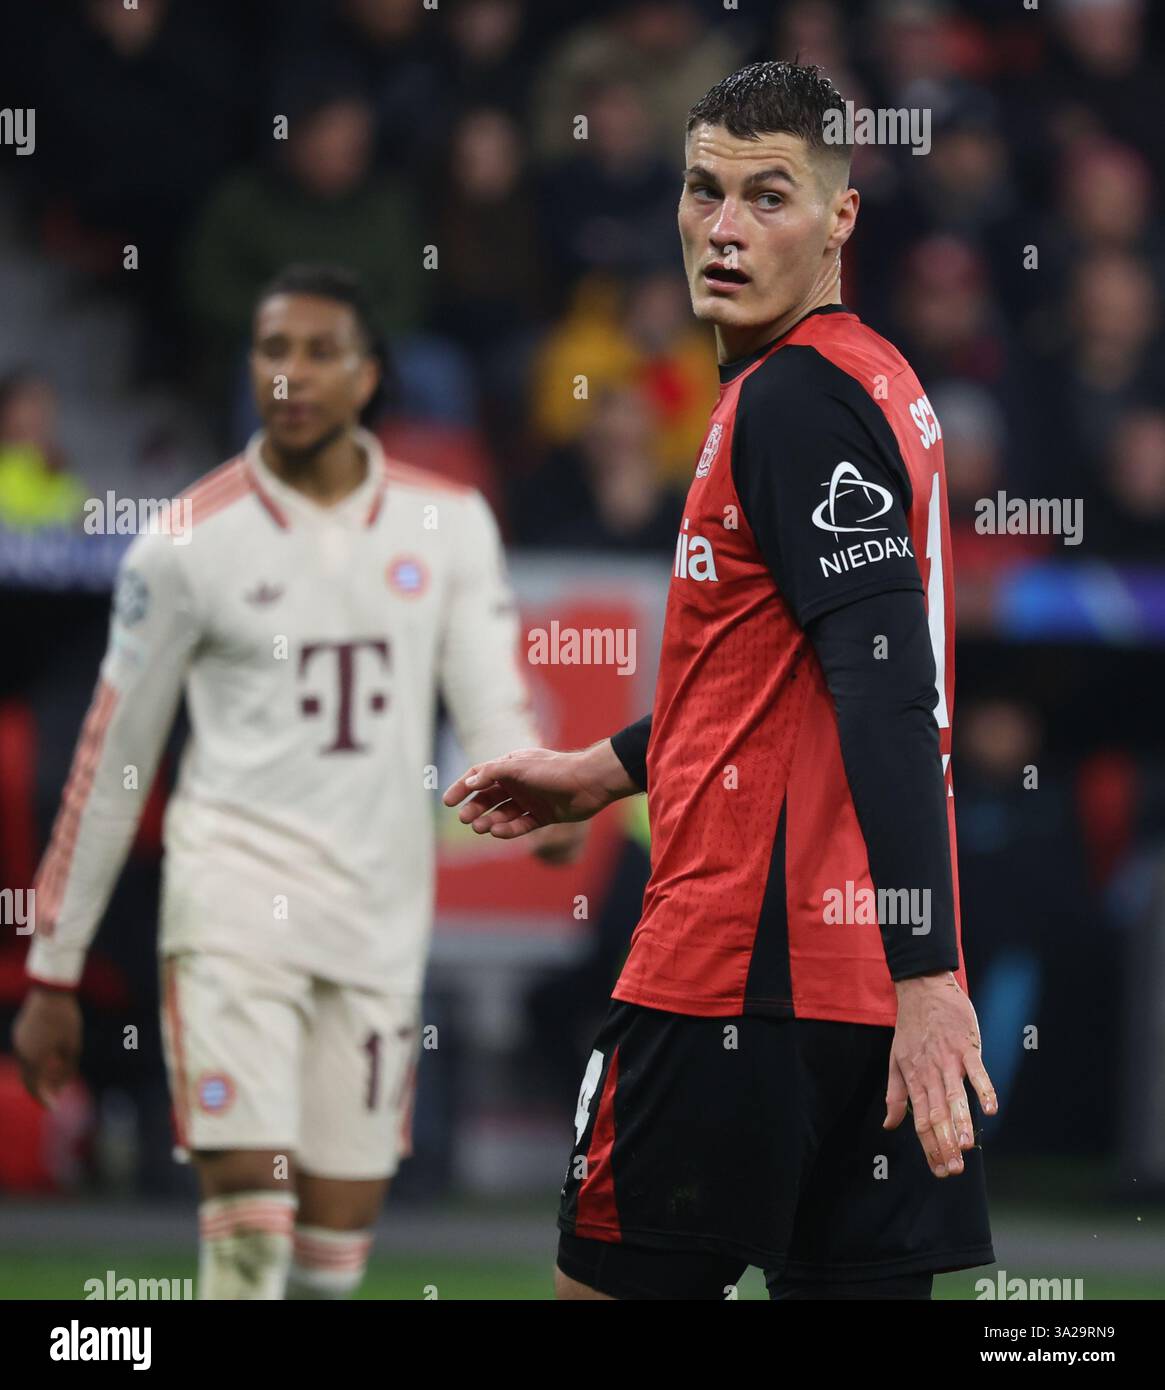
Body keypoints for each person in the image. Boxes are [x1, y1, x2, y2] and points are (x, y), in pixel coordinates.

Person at [445, 60, 997, 1301]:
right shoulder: (876, 382)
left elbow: (884, 686)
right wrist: (603, 769)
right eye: (704, 191)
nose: (727, 228)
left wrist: (930, 976)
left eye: (770, 196)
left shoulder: (790, 404)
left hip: (738, 973)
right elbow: (786, 668)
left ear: (841, 219)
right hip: (852, 994)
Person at [13, 264, 583, 1299]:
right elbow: (112, 755)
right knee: (248, 1203)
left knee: (335, 1238)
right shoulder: (187, 540)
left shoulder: (448, 526)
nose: (294, 372)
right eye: (274, 350)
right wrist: (55, 964)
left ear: (368, 377)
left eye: (321, 351)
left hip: (373, 913)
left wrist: (537, 795)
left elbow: (491, 700)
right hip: (230, 900)